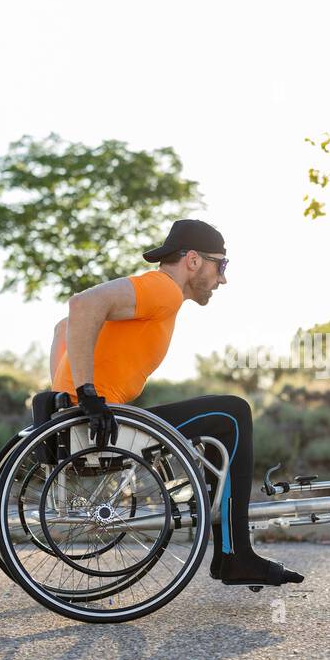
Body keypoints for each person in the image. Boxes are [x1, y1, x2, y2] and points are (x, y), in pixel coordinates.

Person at [49, 219, 304, 588]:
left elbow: (62, 327)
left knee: (219, 421)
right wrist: (87, 394)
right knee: (233, 414)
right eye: (222, 266)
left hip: (80, 424)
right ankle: (236, 555)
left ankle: (228, 543)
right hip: (99, 424)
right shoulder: (163, 289)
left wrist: (63, 401)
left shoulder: (159, 295)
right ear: (195, 261)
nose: (224, 279)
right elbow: (82, 304)